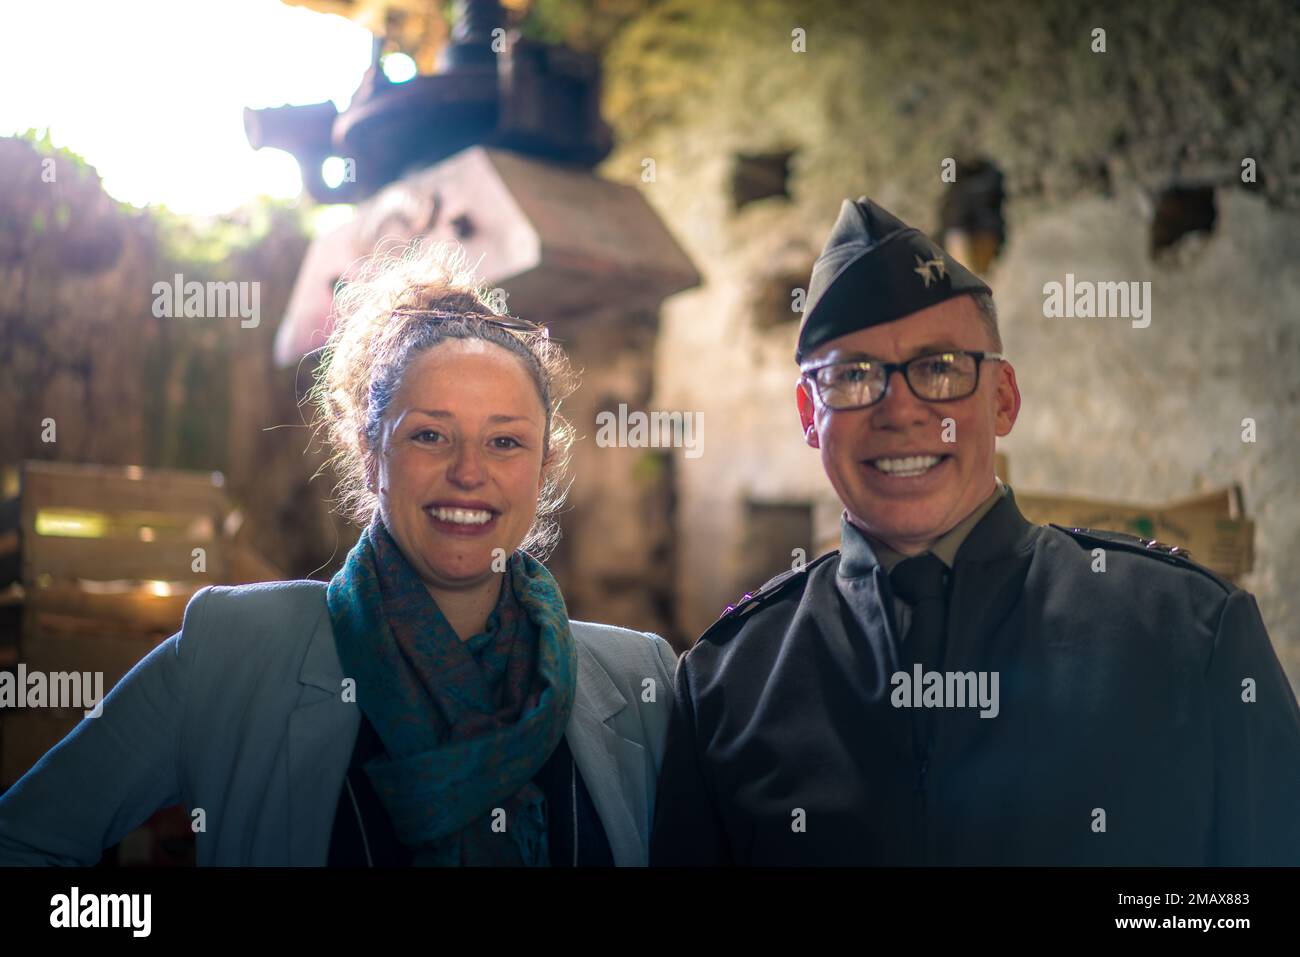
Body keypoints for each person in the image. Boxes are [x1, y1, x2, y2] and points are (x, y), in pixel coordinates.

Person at [650, 197, 1300, 866]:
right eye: (852, 375)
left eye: (939, 367)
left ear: (1003, 397)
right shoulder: (726, 686)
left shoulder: (1191, 634)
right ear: (809, 415)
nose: (899, 409)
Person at [0, 241, 676, 867]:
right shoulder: (233, 653)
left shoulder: (636, 682)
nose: (470, 471)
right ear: (368, 450)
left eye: (505, 442)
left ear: (544, 463)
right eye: (431, 435)